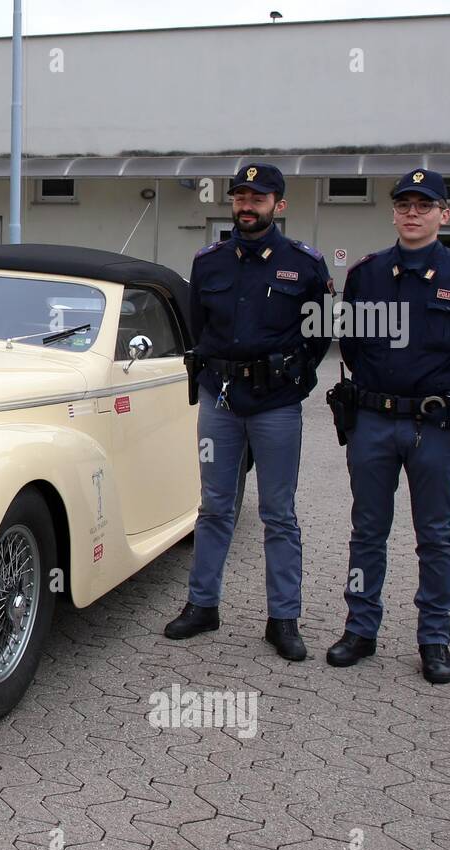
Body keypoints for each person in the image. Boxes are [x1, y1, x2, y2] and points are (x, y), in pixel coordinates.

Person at [325, 169, 450, 684]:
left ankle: (435, 639)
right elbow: (354, 344)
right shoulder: (367, 275)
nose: (412, 213)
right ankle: (360, 629)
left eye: (424, 206)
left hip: (435, 428)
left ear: (443, 215)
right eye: (404, 204)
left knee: (434, 536)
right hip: (373, 424)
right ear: (393, 213)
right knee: (367, 532)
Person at [164, 163, 332, 660]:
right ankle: (202, 605)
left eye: (258, 197)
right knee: (215, 507)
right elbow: (199, 328)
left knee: (279, 513)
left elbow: (319, 335)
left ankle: (283, 619)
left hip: (276, 405)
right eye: (240, 195)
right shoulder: (209, 261)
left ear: (279, 204)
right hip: (219, 400)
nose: (247, 204)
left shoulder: (304, 264)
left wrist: (290, 377)